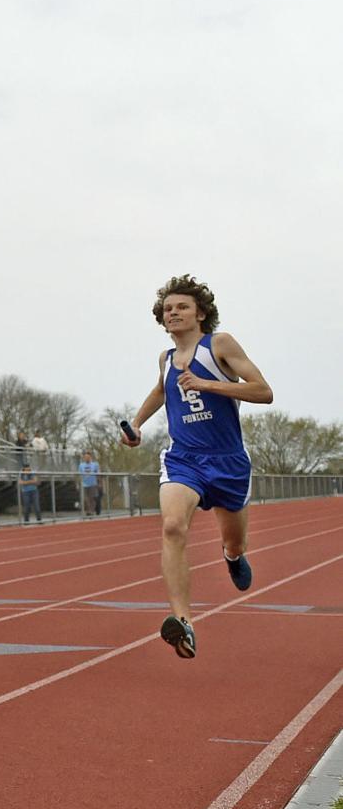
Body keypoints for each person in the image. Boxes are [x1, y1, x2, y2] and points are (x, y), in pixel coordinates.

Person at [121, 274, 272, 660]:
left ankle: (233, 556)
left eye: (182, 307)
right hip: (183, 458)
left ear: (200, 313)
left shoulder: (219, 345)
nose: (173, 313)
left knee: (235, 539)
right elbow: (161, 389)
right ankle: (183, 621)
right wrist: (137, 425)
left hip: (228, 461)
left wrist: (210, 385)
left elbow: (263, 391)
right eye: (168, 309)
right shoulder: (166, 359)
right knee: (172, 526)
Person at [79, 450, 101, 516]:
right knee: (86, 499)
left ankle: (91, 511)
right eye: (85, 457)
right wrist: (78, 483)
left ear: (90, 457)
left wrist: (99, 483)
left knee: (92, 498)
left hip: (93, 484)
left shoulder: (95, 464)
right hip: (84, 484)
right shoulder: (81, 465)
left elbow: (99, 474)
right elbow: (79, 475)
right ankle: (88, 510)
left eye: (88, 457)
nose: (87, 458)